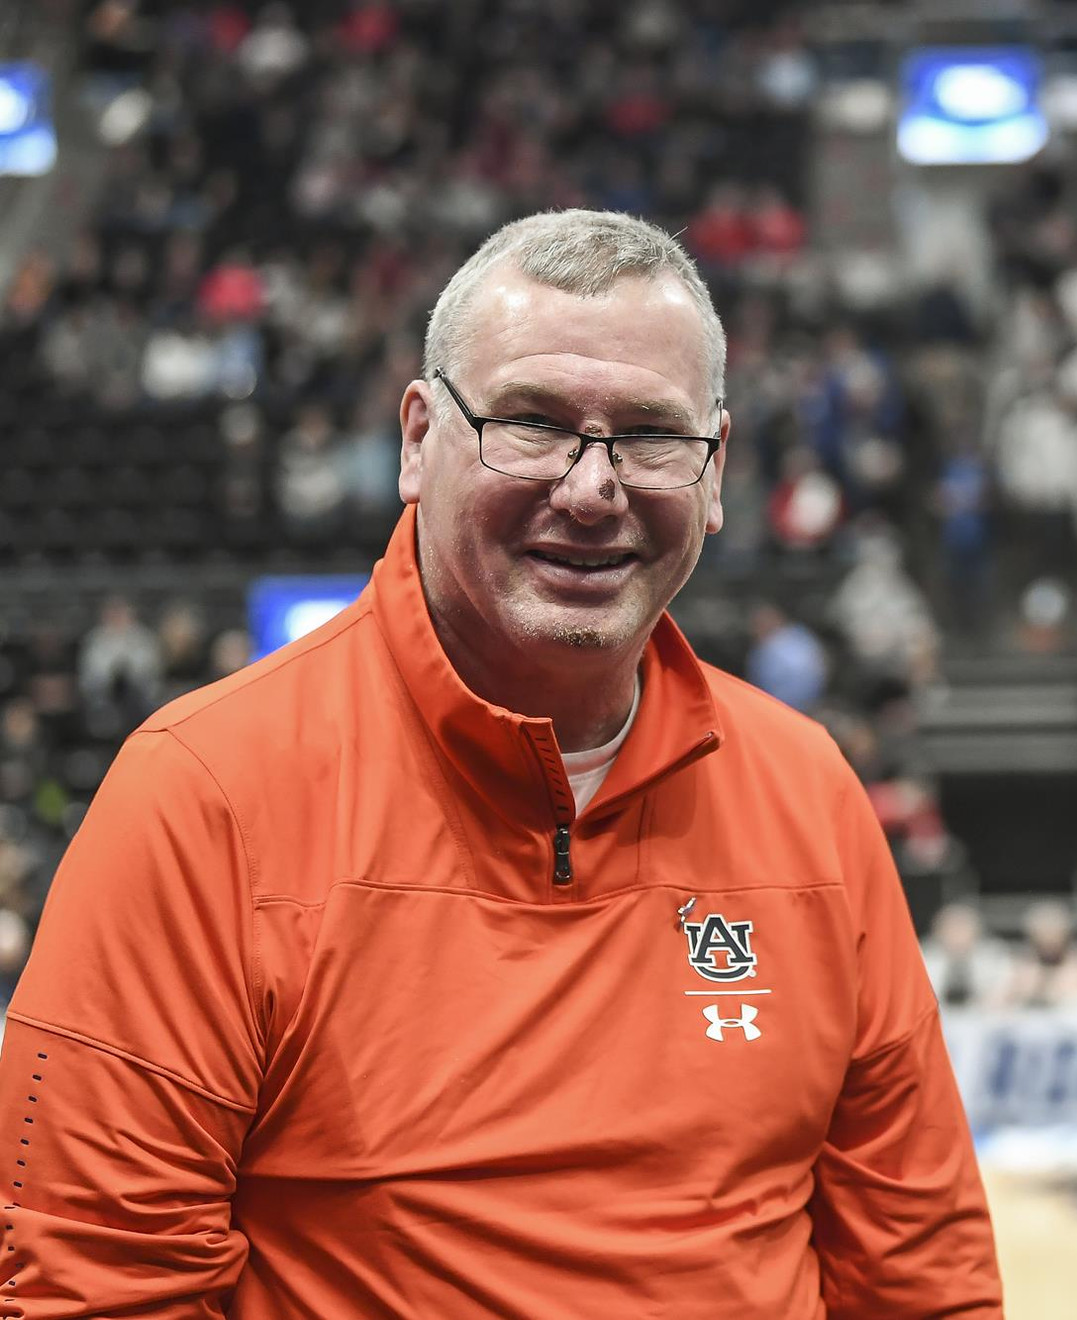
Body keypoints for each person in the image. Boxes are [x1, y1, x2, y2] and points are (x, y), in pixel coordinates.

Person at [0, 211, 1003, 1316]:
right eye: (530, 423)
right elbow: (95, 1285)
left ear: (715, 473)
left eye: (652, 437)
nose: (592, 488)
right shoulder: (203, 795)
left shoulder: (809, 791)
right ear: (416, 439)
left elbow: (920, 1271)